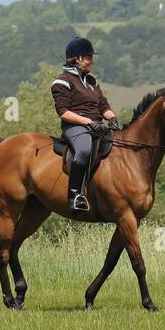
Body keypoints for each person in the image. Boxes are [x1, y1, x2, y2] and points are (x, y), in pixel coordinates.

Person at [50, 37, 118, 212]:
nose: (91, 61)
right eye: (88, 57)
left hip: (97, 125)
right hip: (75, 126)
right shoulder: (62, 81)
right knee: (85, 150)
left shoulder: (92, 82)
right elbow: (63, 112)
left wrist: (112, 118)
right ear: (78, 59)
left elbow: (103, 106)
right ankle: (75, 195)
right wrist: (89, 122)